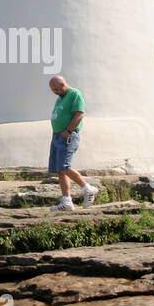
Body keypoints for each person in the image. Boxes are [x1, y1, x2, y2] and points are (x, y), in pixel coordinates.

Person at [48, 75, 97, 210]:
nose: (55, 92)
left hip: (68, 136)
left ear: (63, 85)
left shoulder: (74, 94)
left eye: (56, 90)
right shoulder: (60, 99)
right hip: (58, 136)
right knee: (60, 170)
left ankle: (87, 189)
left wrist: (68, 131)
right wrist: (55, 134)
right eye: (53, 91)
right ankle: (66, 201)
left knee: (65, 166)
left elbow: (79, 113)